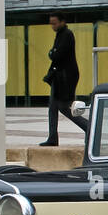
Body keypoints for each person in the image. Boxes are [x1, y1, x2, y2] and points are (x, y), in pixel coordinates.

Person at [40, 13, 88, 146]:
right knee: (53, 107)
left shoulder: (66, 34)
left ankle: (89, 127)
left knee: (63, 107)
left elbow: (56, 55)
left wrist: (52, 52)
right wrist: (53, 53)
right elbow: (55, 54)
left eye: (54, 23)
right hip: (59, 76)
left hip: (65, 77)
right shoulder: (60, 34)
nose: (52, 26)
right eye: (51, 23)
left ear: (62, 22)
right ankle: (52, 137)